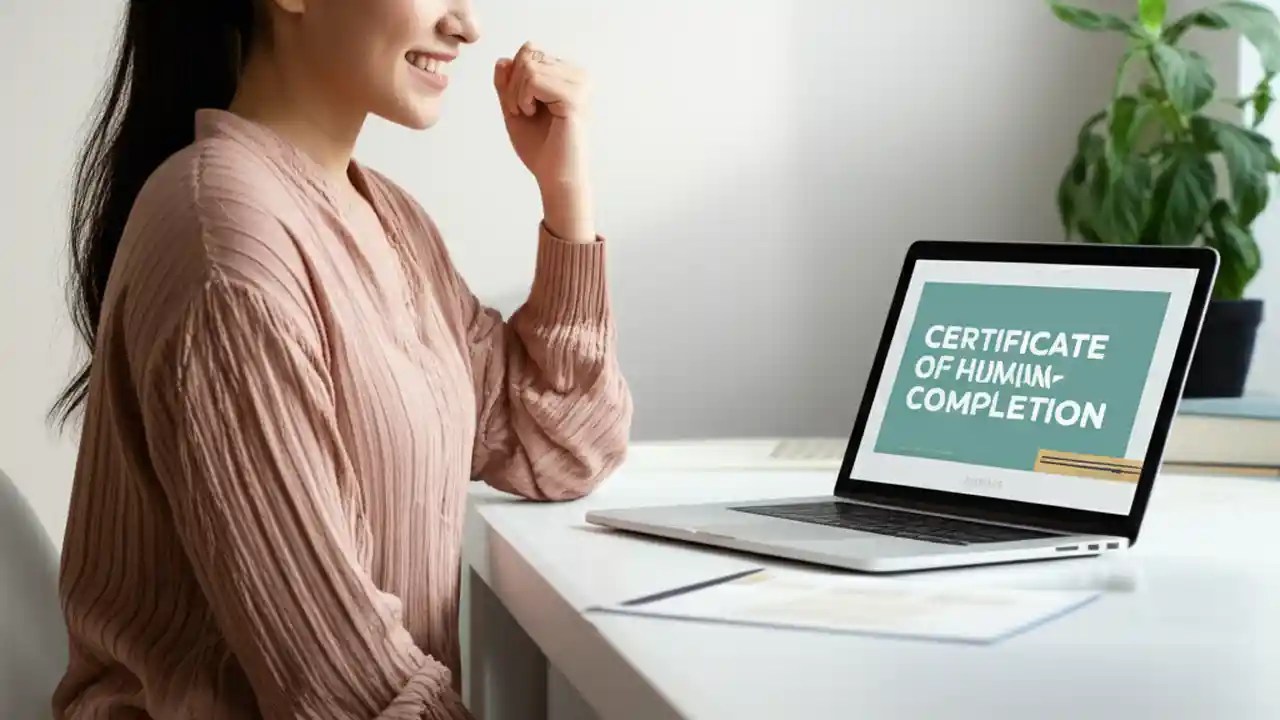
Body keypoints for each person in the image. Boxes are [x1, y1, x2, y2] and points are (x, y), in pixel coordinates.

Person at [50, 0, 632, 717]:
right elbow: (347, 691)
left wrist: (566, 194)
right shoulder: (229, 249)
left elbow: (566, 446)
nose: (466, 25)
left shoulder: (385, 218)